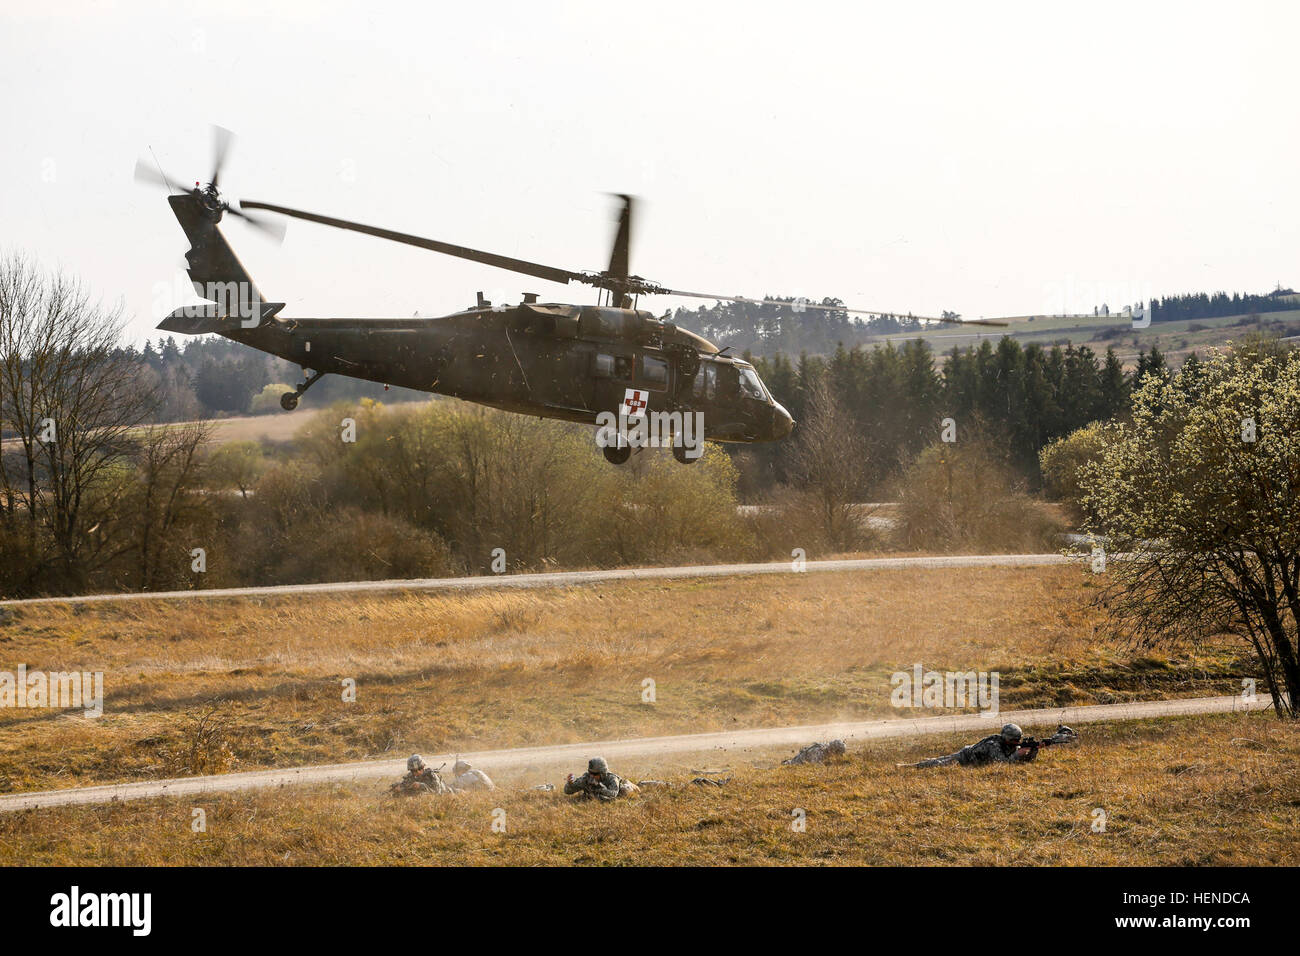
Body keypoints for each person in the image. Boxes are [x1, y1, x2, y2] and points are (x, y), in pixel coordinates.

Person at [910, 723, 1039, 768]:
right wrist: (1018, 753)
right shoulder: (993, 745)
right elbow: (1003, 763)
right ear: (1007, 738)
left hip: (971, 757)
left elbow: (1022, 760)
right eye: (1014, 740)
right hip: (964, 758)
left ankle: (923, 762)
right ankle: (910, 766)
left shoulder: (1009, 745)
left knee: (939, 760)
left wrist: (1033, 751)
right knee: (938, 763)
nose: (1017, 743)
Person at [563, 756, 637, 801]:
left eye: (595, 774)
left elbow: (613, 794)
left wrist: (599, 786)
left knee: (626, 791)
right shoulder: (587, 778)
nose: (592, 776)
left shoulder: (612, 778)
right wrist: (570, 784)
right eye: (590, 772)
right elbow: (568, 791)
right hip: (600, 797)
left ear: (603, 773)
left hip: (623, 787)